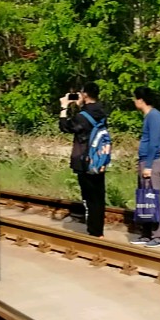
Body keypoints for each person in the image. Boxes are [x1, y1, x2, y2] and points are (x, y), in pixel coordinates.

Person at [58, 82, 107, 238]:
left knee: (89, 197)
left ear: (85, 94)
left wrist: (64, 107)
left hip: (85, 160)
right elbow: (87, 123)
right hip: (100, 158)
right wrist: (80, 105)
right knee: (99, 196)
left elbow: (65, 126)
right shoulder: (101, 111)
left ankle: (93, 231)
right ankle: (98, 230)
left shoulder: (82, 116)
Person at [131, 86, 160, 248]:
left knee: (153, 198)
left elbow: (156, 140)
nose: (135, 101)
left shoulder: (154, 116)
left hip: (151, 163)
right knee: (144, 198)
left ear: (141, 100)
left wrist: (149, 163)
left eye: (136, 98)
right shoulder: (150, 116)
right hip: (145, 161)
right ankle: (147, 234)